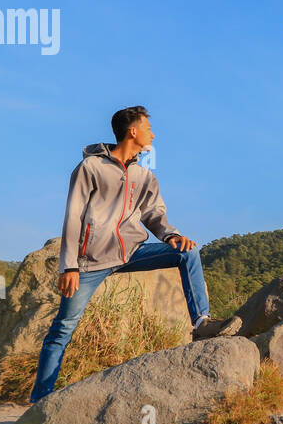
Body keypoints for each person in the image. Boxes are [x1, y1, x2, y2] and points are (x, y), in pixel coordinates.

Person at [29, 105, 238, 402]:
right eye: (149, 128)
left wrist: (172, 235)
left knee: (187, 252)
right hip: (91, 261)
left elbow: (155, 214)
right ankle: (40, 400)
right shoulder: (90, 168)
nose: (153, 133)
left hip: (132, 251)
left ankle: (201, 323)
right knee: (62, 329)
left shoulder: (144, 175)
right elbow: (73, 216)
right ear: (133, 131)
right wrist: (68, 267)